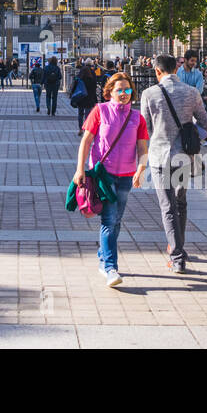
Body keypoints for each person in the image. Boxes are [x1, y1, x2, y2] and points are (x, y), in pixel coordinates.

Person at [74, 73, 149, 287]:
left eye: (127, 89)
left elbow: (143, 147)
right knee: (108, 219)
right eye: (119, 90)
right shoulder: (100, 111)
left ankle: (102, 256)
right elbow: (86, 142)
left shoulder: (138, 118)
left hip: (126, 176)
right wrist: (80, 169)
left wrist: (141, 169)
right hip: (103, 176)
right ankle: (110, 267)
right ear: (110, 92)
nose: (124, 93)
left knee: (116, 221)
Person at [140, 52, 207, 274]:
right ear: (176, 69)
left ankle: (177, 256)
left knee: (167, 206)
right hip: (185, 156)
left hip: (160, 155)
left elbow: (146, 128)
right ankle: (179, 247)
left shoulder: (149, 94)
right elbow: (206, 123)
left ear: (158, 71)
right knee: (180, 202)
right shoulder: (192, 92)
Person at [72, 60, 98, 133]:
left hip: (81, 96)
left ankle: (80, 128)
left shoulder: (81, 73)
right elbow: (94, 86)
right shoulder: (92, 74)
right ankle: (87, 128)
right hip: (89, 97)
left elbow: (75, 84)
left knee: (80, 113)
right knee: (88, 113)